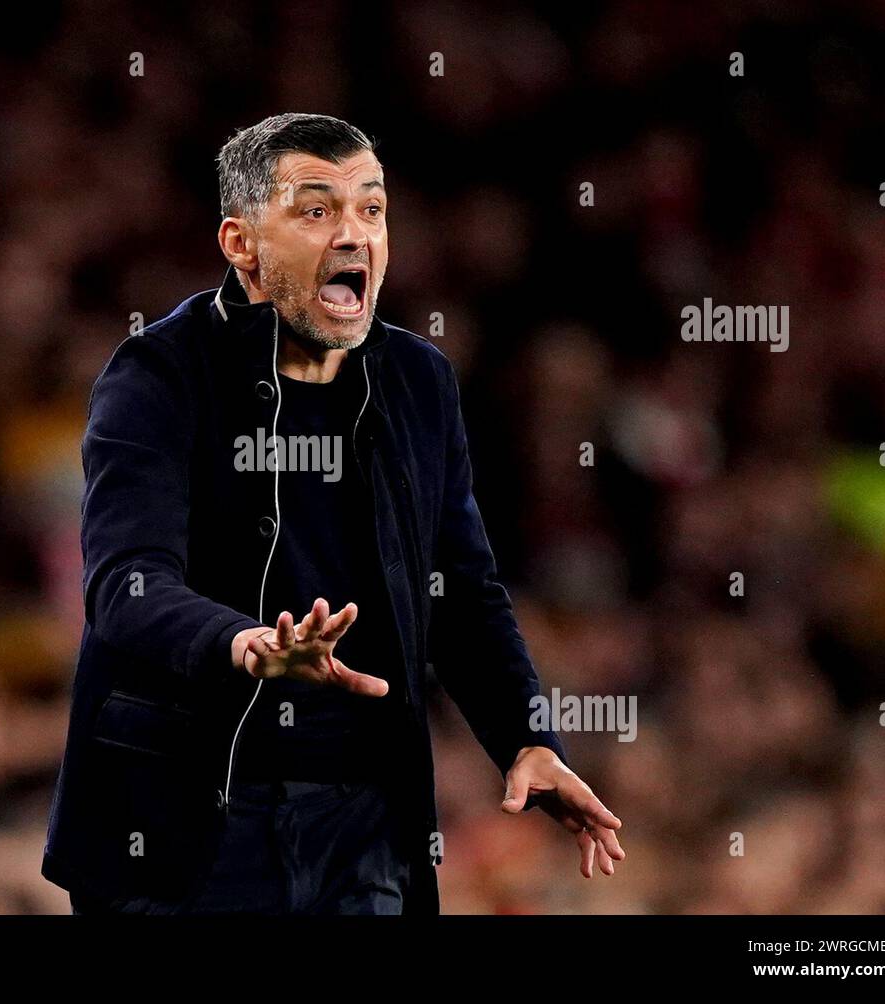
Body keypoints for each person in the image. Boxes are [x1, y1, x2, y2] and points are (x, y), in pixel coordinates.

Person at [42, 112, 625, 914]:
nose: (355, 235)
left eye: (372, 210)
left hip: (365, 823)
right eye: (317, 210)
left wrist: (527, 739)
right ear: (241, 243)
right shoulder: (158, 377)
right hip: (183, 823)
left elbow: (462, 590)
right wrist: (240, 643)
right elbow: (125, 586)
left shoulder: (419, 381)